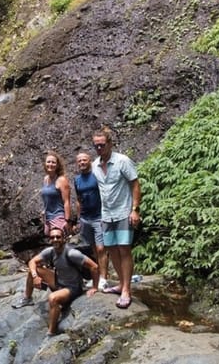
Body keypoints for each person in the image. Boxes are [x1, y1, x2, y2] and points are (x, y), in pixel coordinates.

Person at [12, 226, 100, 336]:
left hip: (73, 288)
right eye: (52, 237)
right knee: (32, 272)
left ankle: (52, 331)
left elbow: (94, 266)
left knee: (52, 298)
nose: (55, 240)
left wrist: (94, 287)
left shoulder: (71, 253)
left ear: (64, 238)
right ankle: (27, 299)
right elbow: (32, 262)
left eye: (58, 237)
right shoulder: (51, 251)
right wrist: (35, 277)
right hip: (58, 283)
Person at [91, 127, 141, 309]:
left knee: (124, 249)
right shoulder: (94, 166)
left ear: (110, 144)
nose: (99, 149)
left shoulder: (122, 161)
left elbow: (135, 184)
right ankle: (121, 283)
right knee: (111, 250)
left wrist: (135, 210)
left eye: (102, 145)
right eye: (96, 146)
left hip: (123, 212)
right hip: (106, 214)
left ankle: (126, 289)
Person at [73, 151, 109, 291]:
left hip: (99, 216)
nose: (82, 162)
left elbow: (105, 193)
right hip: (85, 218)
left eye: (84, 160)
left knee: (101, 248)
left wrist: (106, 213)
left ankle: (104, 279)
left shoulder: (96, 175)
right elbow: (78, 200)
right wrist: (78, 219)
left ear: (90, 161)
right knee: (94, 249)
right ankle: (98, 276)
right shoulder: (77, 180)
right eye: (79, 161)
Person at [40, 151, 72, 236]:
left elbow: (66, 202)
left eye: (53, 162)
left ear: (57, 165)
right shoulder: (45, 179)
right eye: (48, 162)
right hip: (48, 218)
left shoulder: (61, 180)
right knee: (51, 241)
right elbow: (48, 198)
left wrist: (67, 220)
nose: (50, 164)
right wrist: (44, 211)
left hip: (59, 218)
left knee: (59, 241)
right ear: (45, 164)